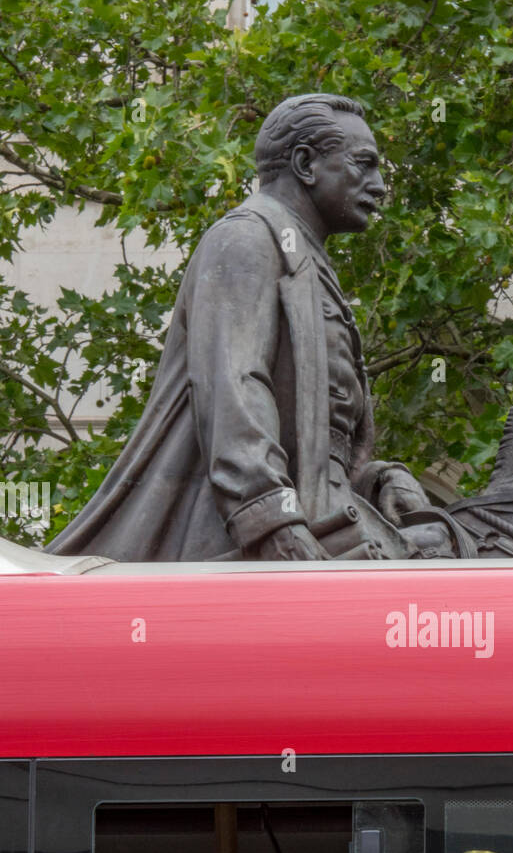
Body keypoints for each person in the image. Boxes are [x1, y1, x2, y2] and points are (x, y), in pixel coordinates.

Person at [47, 93, 450, 563]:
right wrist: (272, 521)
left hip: (327, 521)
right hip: (264, 546)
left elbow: (317, 455)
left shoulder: (307, 262)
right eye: (364, 164)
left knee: (458, 544)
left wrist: (377, 480)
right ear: (305, 163)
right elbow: (236, 389)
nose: (380, 186)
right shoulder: (245, 239)